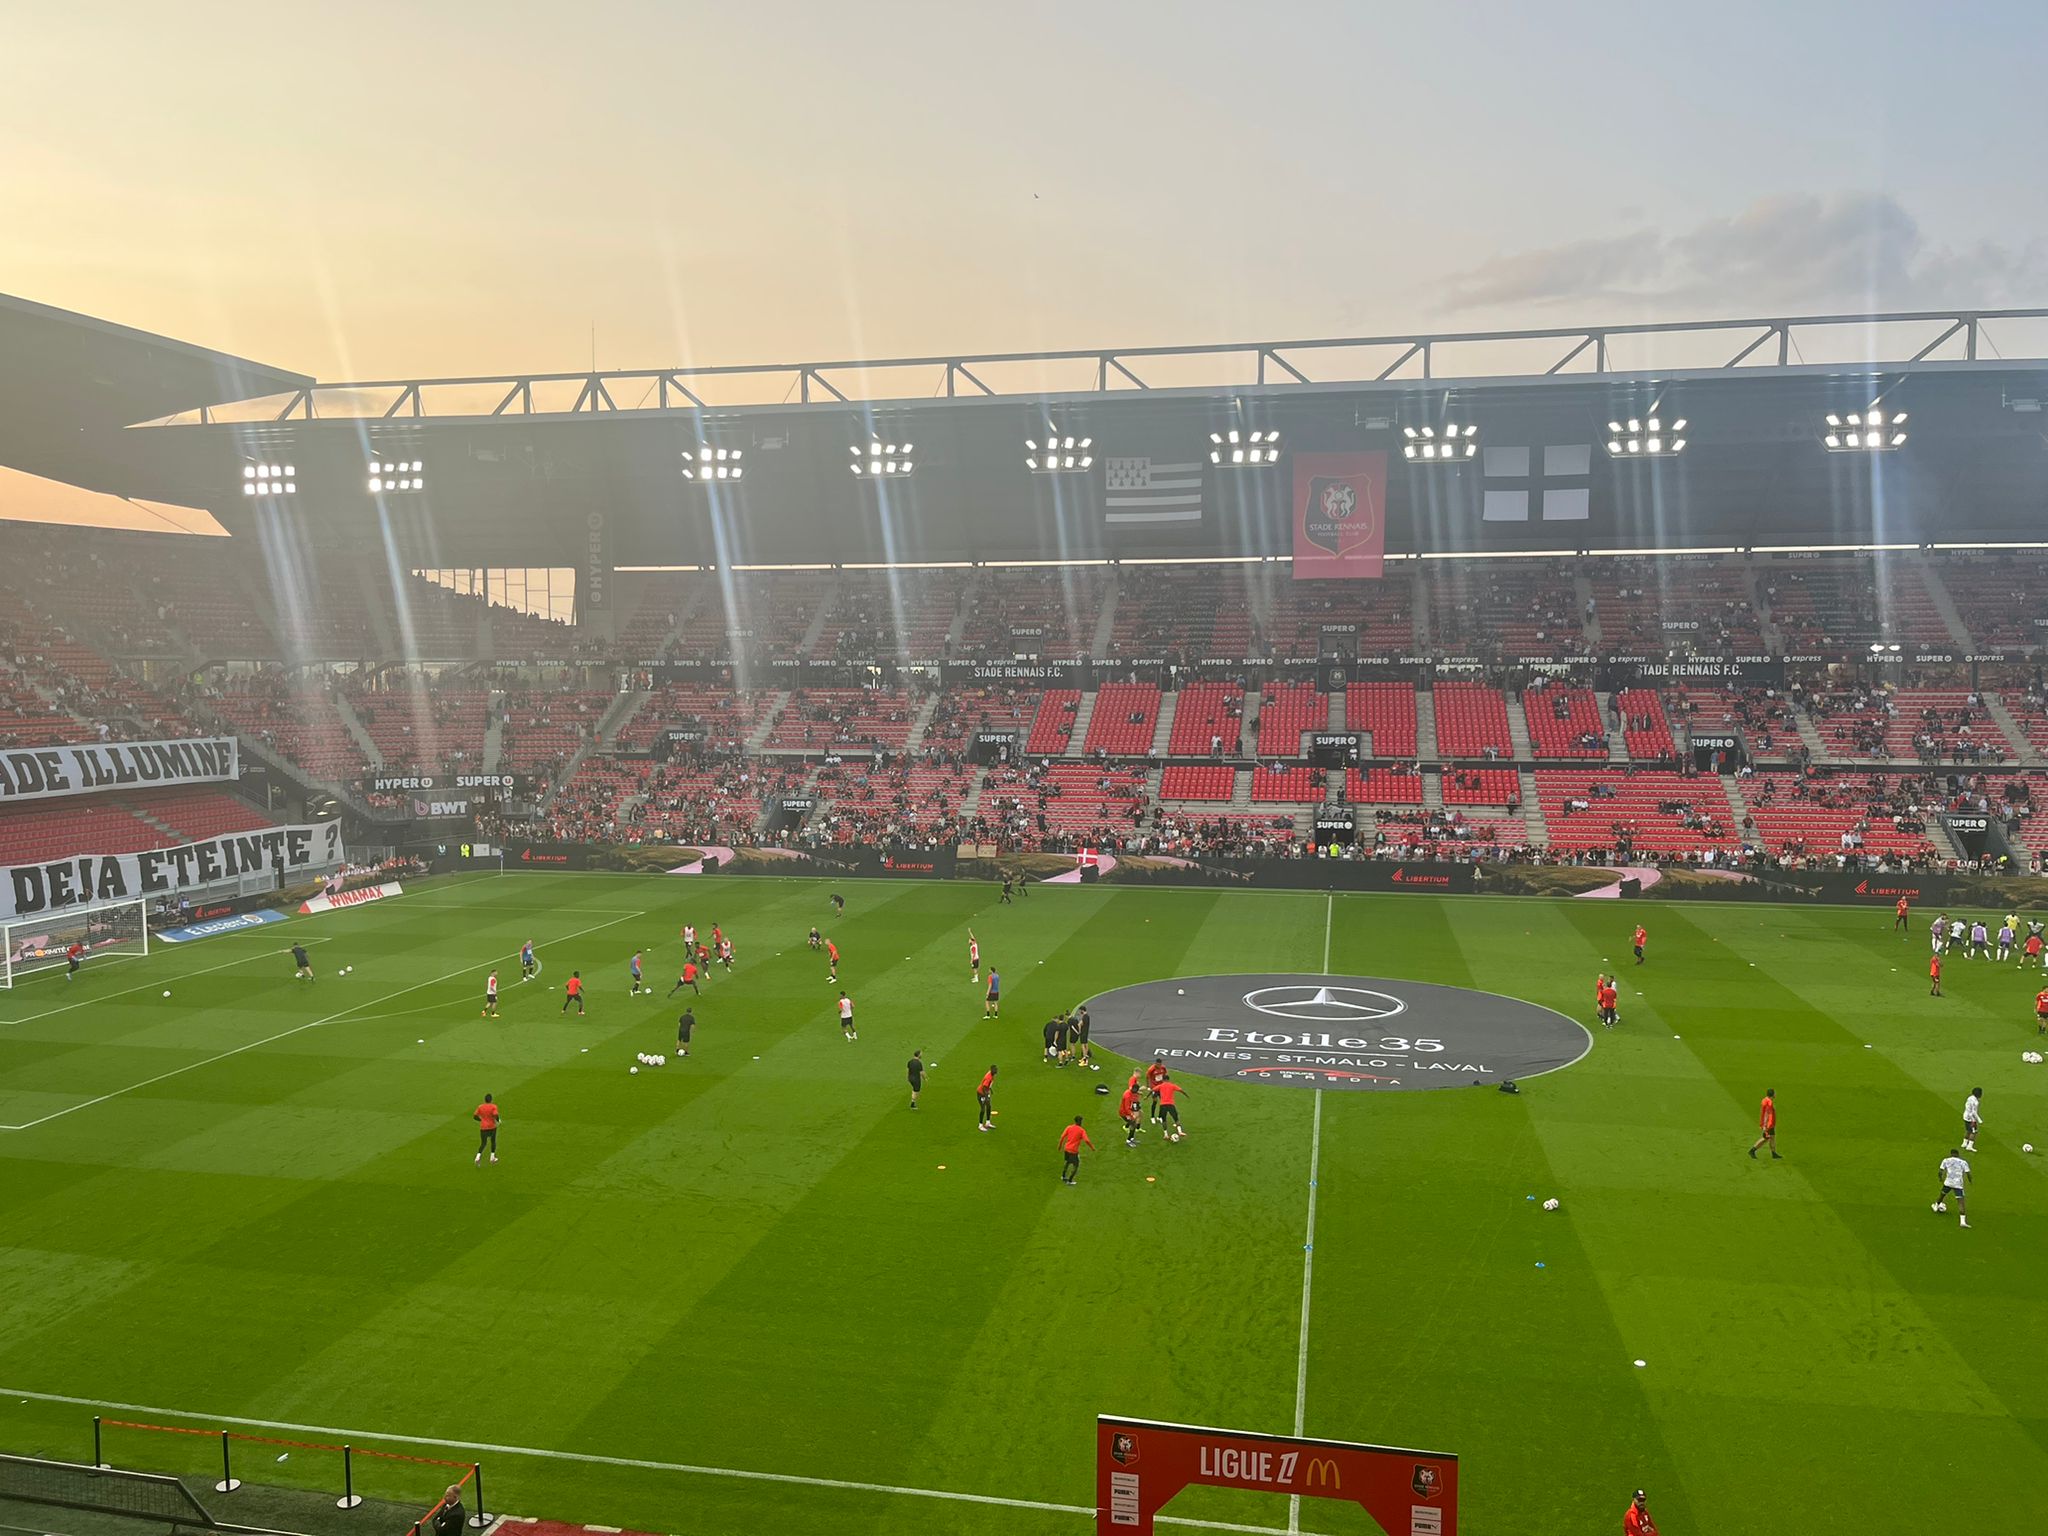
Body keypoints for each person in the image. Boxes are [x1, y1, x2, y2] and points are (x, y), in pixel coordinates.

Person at [1934, 1147, 1971, 1227]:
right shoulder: (1963, 1162)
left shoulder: (1946, 1160)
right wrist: (1970, 1180)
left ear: (1951, 1154)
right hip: (1958, 1184)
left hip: (1948, 1182)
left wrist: (1940, 1178)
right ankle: (1962, 1222)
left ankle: (1936, 1205)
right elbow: (1968, 1173)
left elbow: (1940, 1171)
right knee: (1961, 1202)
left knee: (1942, 1195)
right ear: (1958, 1154)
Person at [1059, 1115, 1094, 1185]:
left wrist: (1060, 1146)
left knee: (1067, 1162)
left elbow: (1062, 1136)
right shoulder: (1081, 1130)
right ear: (1080, 1122)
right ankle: (1070, 1180)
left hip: (1067, 1149)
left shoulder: (1069, 1127)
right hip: (1073, 1150)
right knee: (1076, 1165)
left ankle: (1063, 1176)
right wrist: (1092, 1147)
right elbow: (1087, 1140)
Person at [1748, 1088, 1779, 1159]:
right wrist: (1766, 1126)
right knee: (1765, 1138)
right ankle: (1752, 1150)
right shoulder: (1769, 1103)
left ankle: (1774, 1153)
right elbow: (1767, 1115)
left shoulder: (1765, 1100)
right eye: (1775, 1093)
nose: (1776, 1094)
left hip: (1769, 1124)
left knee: (1772, 1138)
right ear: (1772, 1094)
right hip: (1768, 1125)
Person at [1156, 1075, 1187, 1141]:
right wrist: (1186, 1095)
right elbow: (1181, 1090)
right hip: (1170, 1105)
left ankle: (1166, 1134)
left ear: (1163, 1079)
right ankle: (1180, 1132)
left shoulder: (1160, 1086)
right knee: (1176, 1118)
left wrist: (1147, 1097)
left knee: (1164, 1120)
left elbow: (1153, 1090)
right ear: (1168, 1079)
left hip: (1163, 1105)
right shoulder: (1172, 1085)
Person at [473, 1094, 500, 1166]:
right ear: (491, 1100)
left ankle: (477, 1157)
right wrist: (498, 1120)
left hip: (483, 1127)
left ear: (485, 1100)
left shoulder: (480, 1107)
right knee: (493, 1141)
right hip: (492, 1127)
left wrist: (481, 1120)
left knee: (483, 1143)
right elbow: (496, 1114)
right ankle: (492, 1157)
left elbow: (475, 1116)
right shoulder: (493, 1106)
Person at [1119, 1077, 1143, 1146]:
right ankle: (1128, 1140)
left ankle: (1131, 1138)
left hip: (1127, 1112)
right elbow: (1126, 1108)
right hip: (1124, 1113)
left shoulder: (1131, 1092)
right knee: (1133, 1124)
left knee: (1134, 1124)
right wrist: (1132, 1114)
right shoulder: (1127, 1096)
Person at [1145, 1054, 1169, 1123]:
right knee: (1155, 1101)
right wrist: (1148, 1086)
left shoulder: (1163, 1068)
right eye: (1158, 1064)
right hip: (1154, 1087)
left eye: (1160, 1065)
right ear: (1155, 1063)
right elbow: (1147, 1077)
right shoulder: (1151, 1069)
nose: (1159, 1066)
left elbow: (1165, 1075)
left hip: (1161, 1087)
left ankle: (1160, 1116)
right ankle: (1152, 1117)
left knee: (1162, 1102)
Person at [1074, 1005, 1095, 1070]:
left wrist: (1079, 1031)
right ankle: (1085, 1057)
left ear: (1082, 1010)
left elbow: (1080, 1024)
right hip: (1086, 1032)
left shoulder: (1085, 1017)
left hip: (1083, 1033)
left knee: (1083, 1045)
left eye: (1080, 1011)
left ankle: (1085, 1059)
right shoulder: (1087, 1016)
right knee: (1085, 1044)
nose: (1080, 1012)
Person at [977, 1064, 997, 1130]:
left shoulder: (992, 1074)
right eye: (994, 1070)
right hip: (981, 1093)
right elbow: (984, 1087)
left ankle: (988, 1123)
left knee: (989, 1106)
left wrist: (990, 1089)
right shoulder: (989, 1077)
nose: (996, 1071)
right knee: (983, 1109)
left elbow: (988, 1085)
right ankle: (980, 1125)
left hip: (985, 1092)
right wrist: (986, 1097)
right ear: (991, 1070)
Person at [1963, 1087, 1984, 1152]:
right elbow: (1973, 1112)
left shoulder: (1969, 1098)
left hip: (1965, 1116)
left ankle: (1964, 1143)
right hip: (1971, 1118)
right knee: (1974, 1132)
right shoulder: (1975, 1102)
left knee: (1968, 1130)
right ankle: (1969, 1146)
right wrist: (1978, 1120)